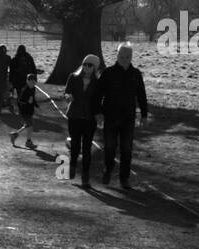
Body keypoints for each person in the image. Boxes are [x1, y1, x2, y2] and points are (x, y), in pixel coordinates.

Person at [96, 43, 148, 189]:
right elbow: (98, 94)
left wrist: (144, 115)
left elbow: (141, 96)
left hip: (128, 118)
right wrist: (98, 112)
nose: (125, 59)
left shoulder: (136, 74)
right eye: (122, 56)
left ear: (131, 57)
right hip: (110, 116)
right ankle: (108, 168)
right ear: (117, 55)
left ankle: (124, 178)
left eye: (128, 56)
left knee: (126, 149)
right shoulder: (108, 73)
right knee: (110, 147)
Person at [63, 54, 102, 188]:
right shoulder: (73, 77)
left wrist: (99, 114)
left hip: (89, 119)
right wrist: (69, 97)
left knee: (86, 148)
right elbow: (66, 92)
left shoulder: (98, 83)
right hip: (74, 116)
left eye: (90, 65)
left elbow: (98, 101)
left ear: (95, 67)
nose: (86, 67)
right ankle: (73, 166)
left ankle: (85, 177)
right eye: (84, 64)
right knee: (75, 145)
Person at [11, 70, 39, 146]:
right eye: (30, 82)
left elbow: (33, 98)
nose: (32, 83)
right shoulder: (25, 90)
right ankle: (28, 142)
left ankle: (14, 135)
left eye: (34, 82)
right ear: (27, 81)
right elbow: (20, 100)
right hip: (24, 111)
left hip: (30, 110)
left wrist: (36, 105)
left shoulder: (33, 88)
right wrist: (27, 102)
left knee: (27, 125)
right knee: (30, 126)